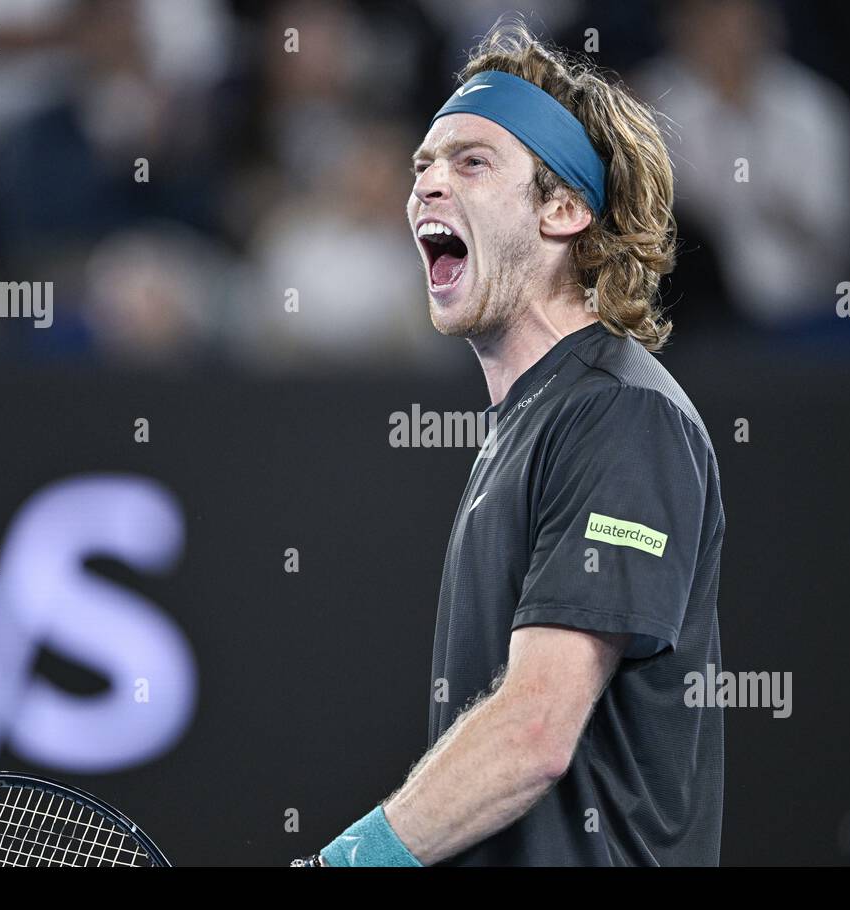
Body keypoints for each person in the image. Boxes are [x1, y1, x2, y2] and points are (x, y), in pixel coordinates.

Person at [293, 20, 725, 867]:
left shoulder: (622, 416)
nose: (424, 188)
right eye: (420, 167)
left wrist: (351, 863)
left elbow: (533, 729)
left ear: (563, 207)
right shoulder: (531, 424)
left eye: (471, 162)